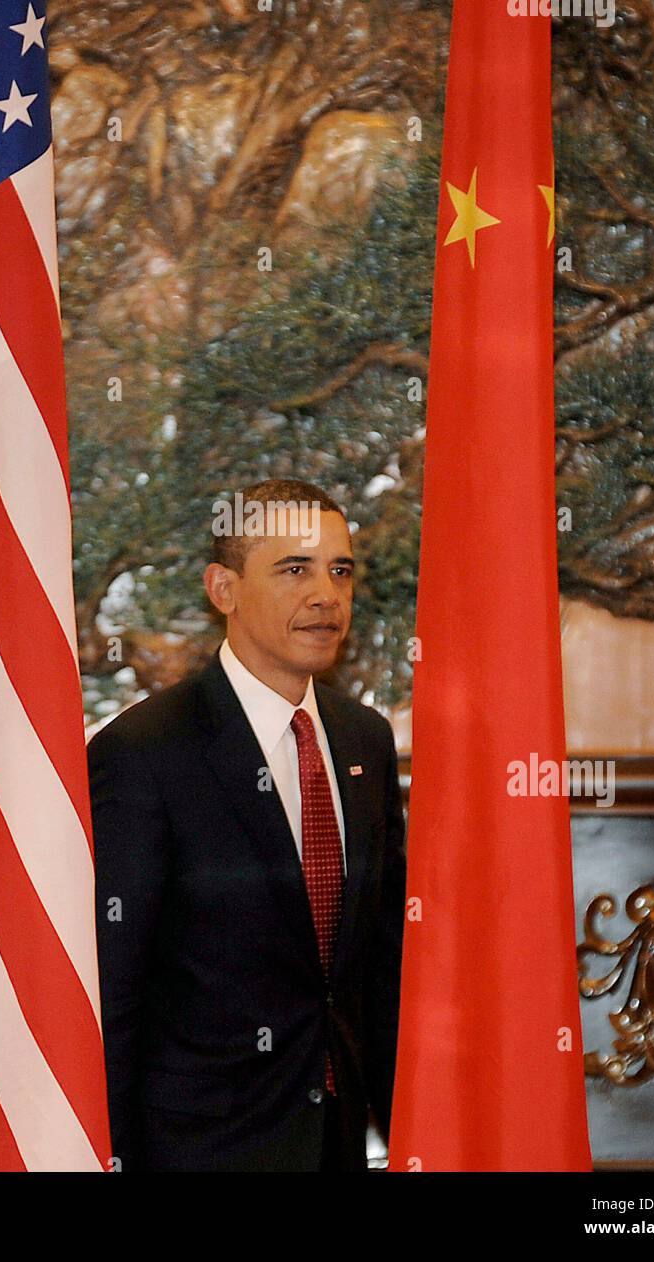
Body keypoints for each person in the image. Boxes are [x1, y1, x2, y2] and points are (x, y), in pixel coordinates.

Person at [87, 478, 406, 1171]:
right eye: (295, 570)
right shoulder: (144, 753)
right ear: (222, 589)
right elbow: (112, 986)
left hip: (337, 1144)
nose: (326, 594)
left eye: (340, 570)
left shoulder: (363, 743)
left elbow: (383, 967)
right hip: (195, 1151)